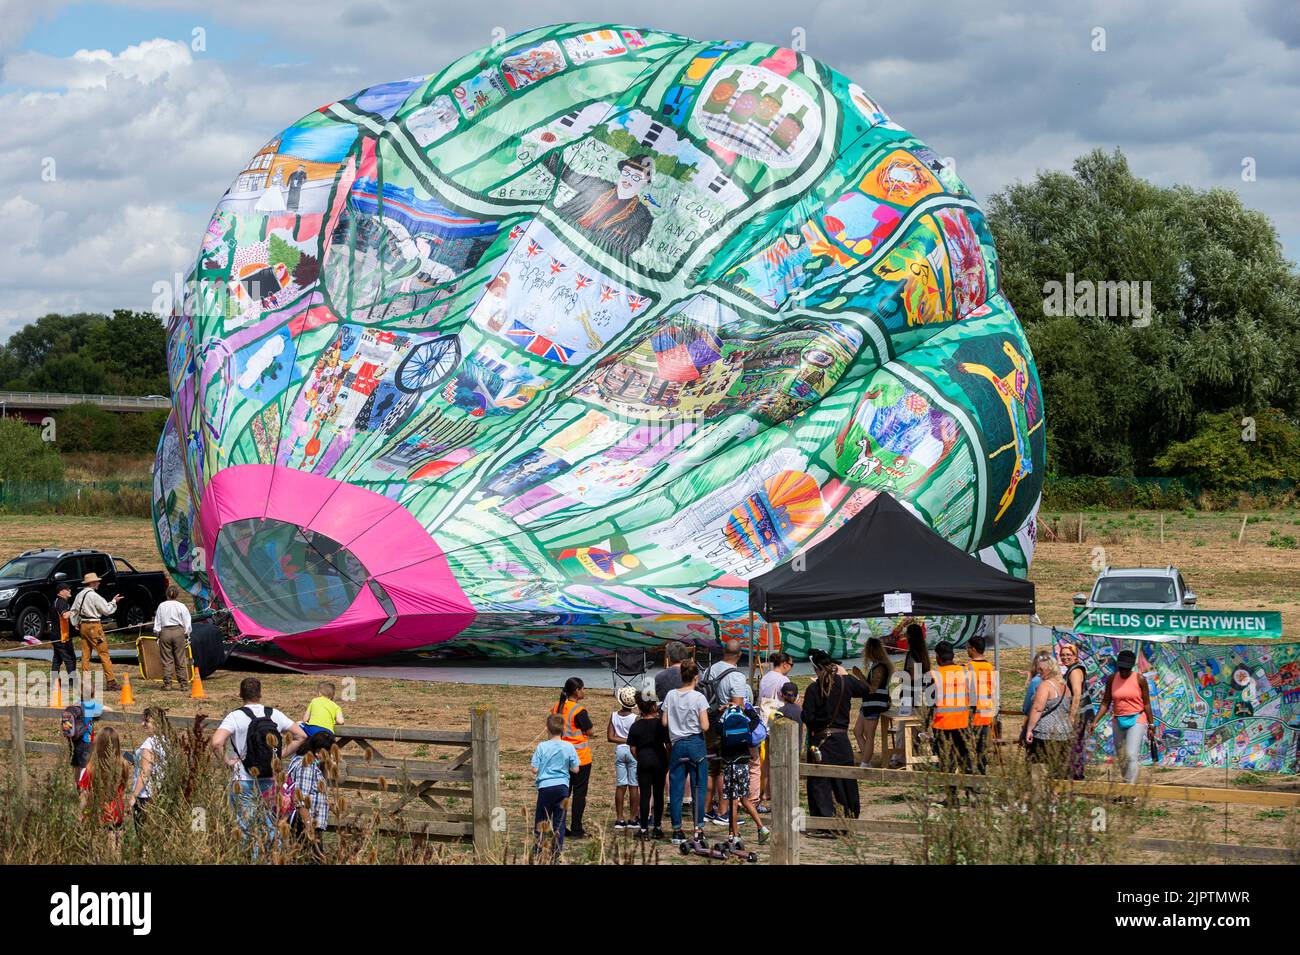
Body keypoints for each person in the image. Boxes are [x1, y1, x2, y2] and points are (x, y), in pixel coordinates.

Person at [210, 677, 306, 853]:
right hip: (270, 779)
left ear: (240, 694)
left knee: (246, 827)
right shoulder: (274, 714)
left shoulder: (235, 716)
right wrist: (280, 755)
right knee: (271, 825)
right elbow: (301, 736)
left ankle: (250, 858)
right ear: (260, 694)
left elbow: (216, 742)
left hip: (243, 779)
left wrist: (227, 762)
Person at [801, 650, 869, 820]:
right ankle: (848, 816)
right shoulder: (845, 683)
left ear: (815, 669)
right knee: (845, 780)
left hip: (821, 742)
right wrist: (845, 675)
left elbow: (808, 718)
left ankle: (825, 821)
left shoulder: (813, 688)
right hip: (841, 741)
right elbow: (866, 689)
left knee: (821, 783)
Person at [701, 639, 750, 825]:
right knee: (723, 768)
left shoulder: (708, 670)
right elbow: (737, 705)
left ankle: (706, 809)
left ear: (723, 652)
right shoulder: (737, 677)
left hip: (709, 723)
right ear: (739, 655)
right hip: (726, 727)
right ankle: (723, 811)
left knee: (710, 767)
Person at [662, 660, 710, 844]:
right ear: (696, 678)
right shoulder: (698, 697)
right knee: (699, 786)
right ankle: (698, 828)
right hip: (695, 743)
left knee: (676, 787)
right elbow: (704, 725)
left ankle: (676, 829)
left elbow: (665, 722)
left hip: (678, 743)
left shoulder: (671, 695)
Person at [1094, 649, 1155, 785]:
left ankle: (1131, 792)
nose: (1124, 671)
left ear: (1131, 667)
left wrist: (1151, 725)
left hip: (1136, 719)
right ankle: (1125, 787)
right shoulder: (1112, 679)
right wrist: (1095, 721)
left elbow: (1146, 703)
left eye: (1126, 668)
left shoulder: (1140, 679)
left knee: (1131, 755)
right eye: (1121, 668)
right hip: (1118, 720)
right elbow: (1105, 702)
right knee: (1122, 757)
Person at [717, 699, 770, 846]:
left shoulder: (723, 727)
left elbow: (713, 723)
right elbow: (756, 719)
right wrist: (746, 708)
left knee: (733, 802)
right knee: (744, 798)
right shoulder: (746, 725)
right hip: (743, 765)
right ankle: (761, 827)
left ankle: (735, 835)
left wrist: (721, 710)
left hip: (730, 766)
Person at [530, 714, 580, 861]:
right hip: (562, 787)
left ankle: (538, 850)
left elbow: (534, 769)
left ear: (548, 730)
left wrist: (543, 768)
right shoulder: (569, 746)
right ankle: (556, 852)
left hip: (545, 787)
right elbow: (576, 769)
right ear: (563, 730)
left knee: (541, 820)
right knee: (559, 822)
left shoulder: (542, 746)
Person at [78, 725, 131, 857]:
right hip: (117, 816)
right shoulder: (124, 765)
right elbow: (123, 789)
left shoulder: (91, 769)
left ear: (98, 744)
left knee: (96, 855)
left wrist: (79, 816)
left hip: (97, 817)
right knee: (115, 854)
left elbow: (84, 795)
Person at [929, 641, 973, 798]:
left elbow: (930, 701)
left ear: (938, 657)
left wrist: (927, 724)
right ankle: (971, 793)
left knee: (947, 761)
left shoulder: (934, 675)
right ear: (953, 656)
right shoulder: (965, 672)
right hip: (963, 723)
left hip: (943, 724)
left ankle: (952, 797)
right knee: (966, 758)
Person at [551, 677, 592, 839]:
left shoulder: (556, 707)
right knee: (579, 794)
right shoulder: (578, 710)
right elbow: (589, 731)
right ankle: (576, 828)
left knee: (564, 793)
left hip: (561, 757)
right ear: (576, 691)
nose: (584, 691)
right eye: (583, 688)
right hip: (580, 758)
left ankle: (559, 826)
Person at [286, 730, 335, 862]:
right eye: (329, 753)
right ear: (319, 751)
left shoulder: (305, 762)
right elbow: (299, 798)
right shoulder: (307, 766)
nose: (331, 757)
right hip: (305, 823)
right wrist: (309, 827)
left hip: (308, 823)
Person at [626, 694, 669, 839]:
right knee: (658, 794)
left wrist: (639, 758)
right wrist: (667, 760)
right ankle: (657, 827)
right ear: (654, 707)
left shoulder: (636, 726)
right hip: (659, 760)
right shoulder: (660, 725)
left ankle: (643, 829)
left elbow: (632, 748)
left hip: (644, 760)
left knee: (645, 794)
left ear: (639, 708)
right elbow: (668, 745)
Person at [71, 572, 123, 691]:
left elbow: (73, 610)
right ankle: (111, 681)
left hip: (83, 625)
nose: (99, 583)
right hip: (94, 626)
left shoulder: (79, 595)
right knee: (104, 653)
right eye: (97, 581)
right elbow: (106, 610)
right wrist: (114, 602)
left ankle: (85, 682)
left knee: (85, 654)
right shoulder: (94, 596)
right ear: (92, 583)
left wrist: (75, 623)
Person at [1023, 655, 1073, 778]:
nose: (1039, 673)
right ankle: (1056, 795)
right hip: (1064, 733)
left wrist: (1029, 729)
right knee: (1059, 772)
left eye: (1041, 670)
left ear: (1050, 669)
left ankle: (1041, 796)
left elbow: (1037, 709)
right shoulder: (1065, 686)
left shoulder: (1045, 686)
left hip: (1044, 734)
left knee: (1039, 770)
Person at [853, 638, 893, 769]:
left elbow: (872, 688)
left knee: (869, 735)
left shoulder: (880, 667)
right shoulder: (877, 665)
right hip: (869, 703)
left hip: (874, 703)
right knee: (857, 731)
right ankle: (866, 759)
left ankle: (865, 763)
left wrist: (859, 676)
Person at [126, 706, 168, 827]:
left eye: (147, 721)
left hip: (144, 796)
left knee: (142, 833)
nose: (143, 724)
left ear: (158, 724)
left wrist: (134, 795)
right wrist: (128, 757)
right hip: (159, 792)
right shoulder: (164, 741)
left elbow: (145, 772)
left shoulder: (149, 744)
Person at [1059, 642, 1093, 780]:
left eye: (1068, 654)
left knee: (1076, 744)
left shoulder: (1074, 671)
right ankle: (1074, 773)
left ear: (1075, 656)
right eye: (1062, 655)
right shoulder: (1072, 669)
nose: (1065, 657)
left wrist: (1072, 716)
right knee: (1075, 744)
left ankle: (1077, 776)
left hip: (1079, 714)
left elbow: (1077, 694)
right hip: (1080, 713)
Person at [608, 686, 640, 830]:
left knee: (621, 785)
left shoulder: (614, 715)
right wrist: (630, 740)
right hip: (633, 751)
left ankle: (619, 818)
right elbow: (638, 737)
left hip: (620, 751)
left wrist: (622, 739)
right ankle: (633, 818)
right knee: (634, 785)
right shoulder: (635, 718)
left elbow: (610, 737)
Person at [965, 636, 997, 774]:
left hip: (973, 712)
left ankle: (971, 775)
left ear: (973, 649)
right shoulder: (990, 667)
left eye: (968, 648)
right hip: (986, 711)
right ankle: (982, 773)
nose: (967, 650)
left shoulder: (968, 667)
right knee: (982, 748)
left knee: (968, 747)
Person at [152, 585, 192, 692]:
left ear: (167, 594)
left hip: (165, 632)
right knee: (180, 659)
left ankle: (168, 684)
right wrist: (187, 634)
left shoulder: (161, 606)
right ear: (177, 595)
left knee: (166, 660)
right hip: (178, 632)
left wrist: (157, 634)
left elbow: (157, 622)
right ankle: (183, 684)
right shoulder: (181, 606)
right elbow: (187, 622)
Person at [67, 689, 104, 782]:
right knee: (84, 765)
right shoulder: (92, 705)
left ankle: (77, 787)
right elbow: (104, 709)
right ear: (93, 694)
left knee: (76, 765)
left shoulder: (76, 703)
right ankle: (82, 788)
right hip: (85, 740)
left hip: (74, 740)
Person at [897, 623, 932, 717]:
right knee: (916, 726)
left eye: (907, 634)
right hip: (921, 693)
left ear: (910, 636)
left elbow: (915, 676)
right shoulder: (923, 654)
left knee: (903, 726)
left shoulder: (912, 654)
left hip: (910, 694)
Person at [48, 582, 77, 683]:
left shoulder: (59, 601)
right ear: (61, 592)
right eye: (67, 589)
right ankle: (73, 681)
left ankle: (54, 680)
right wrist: (76, 611)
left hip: (59, 635)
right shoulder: (61, 602)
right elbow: (65, 615)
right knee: (70, 659)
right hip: (61, 637)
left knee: (57, 659)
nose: (70, 591)